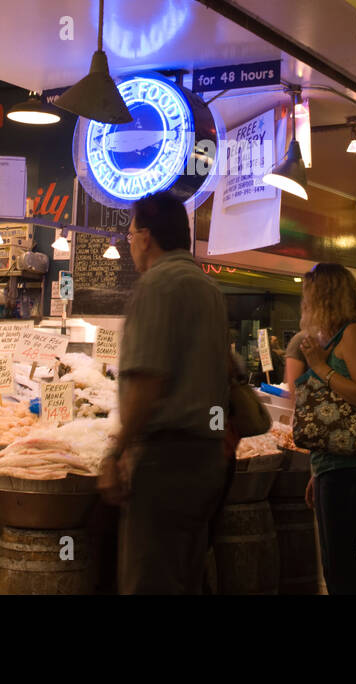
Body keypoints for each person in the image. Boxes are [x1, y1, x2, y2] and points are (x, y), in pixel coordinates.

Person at [97, 192, 230, 594]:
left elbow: (147, 381)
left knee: (150, 581)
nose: (129, 242)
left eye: (130, 233)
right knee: (185, 578)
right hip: (206, 462)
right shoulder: (209, 289)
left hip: (165, 463)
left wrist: (116, 450)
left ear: (146, 237)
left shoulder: (157, 285)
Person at [293, 262, 356, 595]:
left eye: (308, 295)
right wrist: (317, 472)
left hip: (354, 467)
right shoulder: (335, 338)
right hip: (334, 466)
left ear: (324, 296)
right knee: (336, 567)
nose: (303, 303)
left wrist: (320, 367)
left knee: (345, 570)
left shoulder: (354, 334)